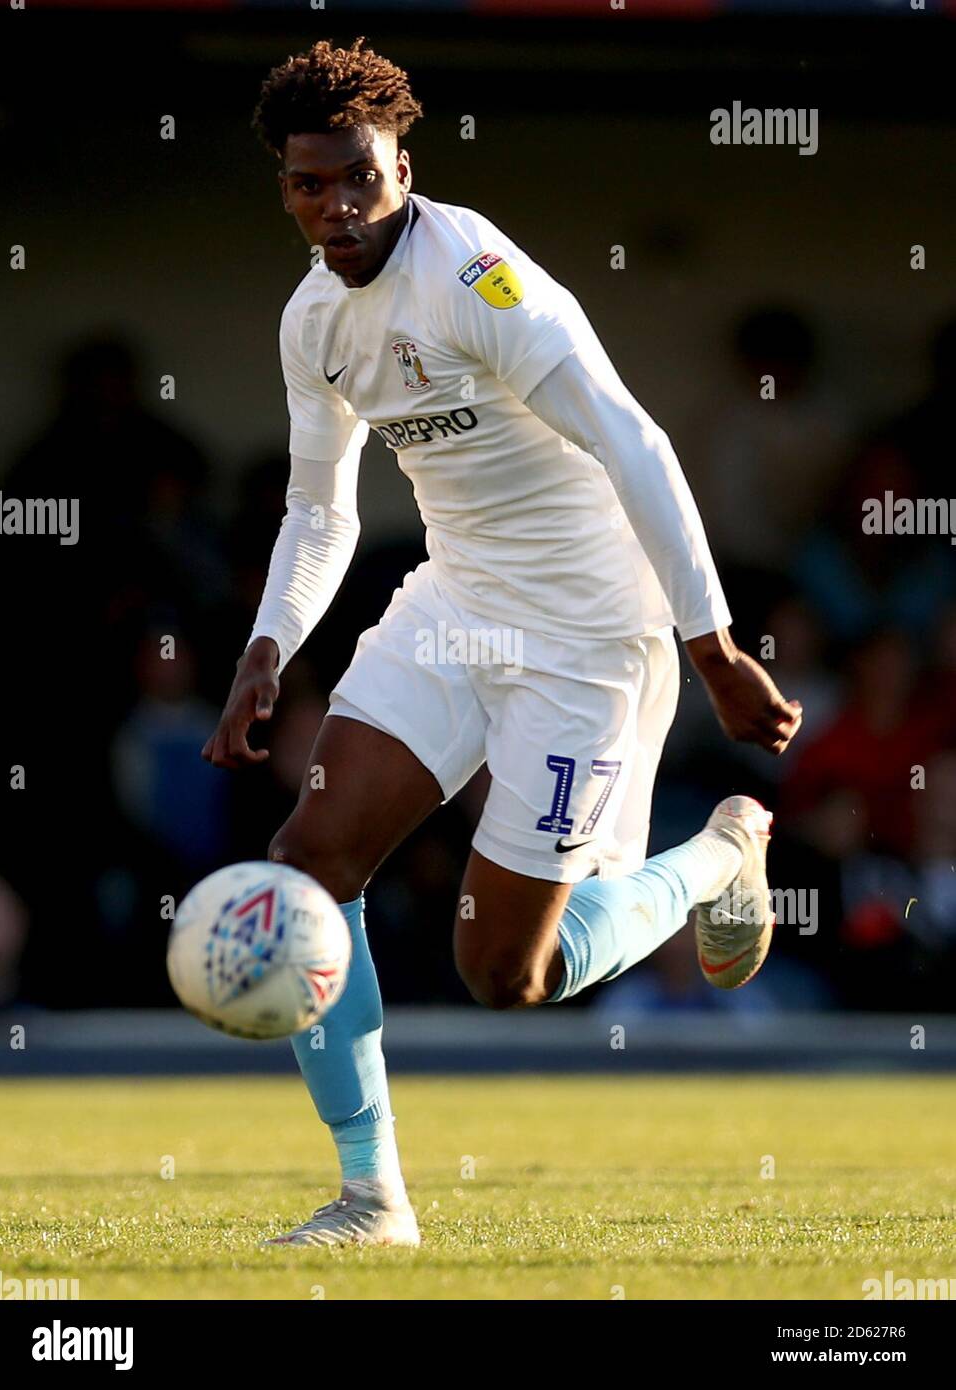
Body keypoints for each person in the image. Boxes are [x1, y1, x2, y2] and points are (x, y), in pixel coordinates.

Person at [202, 38, 802, 1248]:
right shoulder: (311, 320)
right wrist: (267, 646)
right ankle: (373, 1200)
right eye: (308, 186)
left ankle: (718, 857)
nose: (335, 208)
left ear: (401, 165)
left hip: (587, 630)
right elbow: (320, 509)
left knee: (506, 976)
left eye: (356, 178)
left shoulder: (476, 273)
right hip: (454, 601)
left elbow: (635, 442)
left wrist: (712, 647)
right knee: (309, 861)